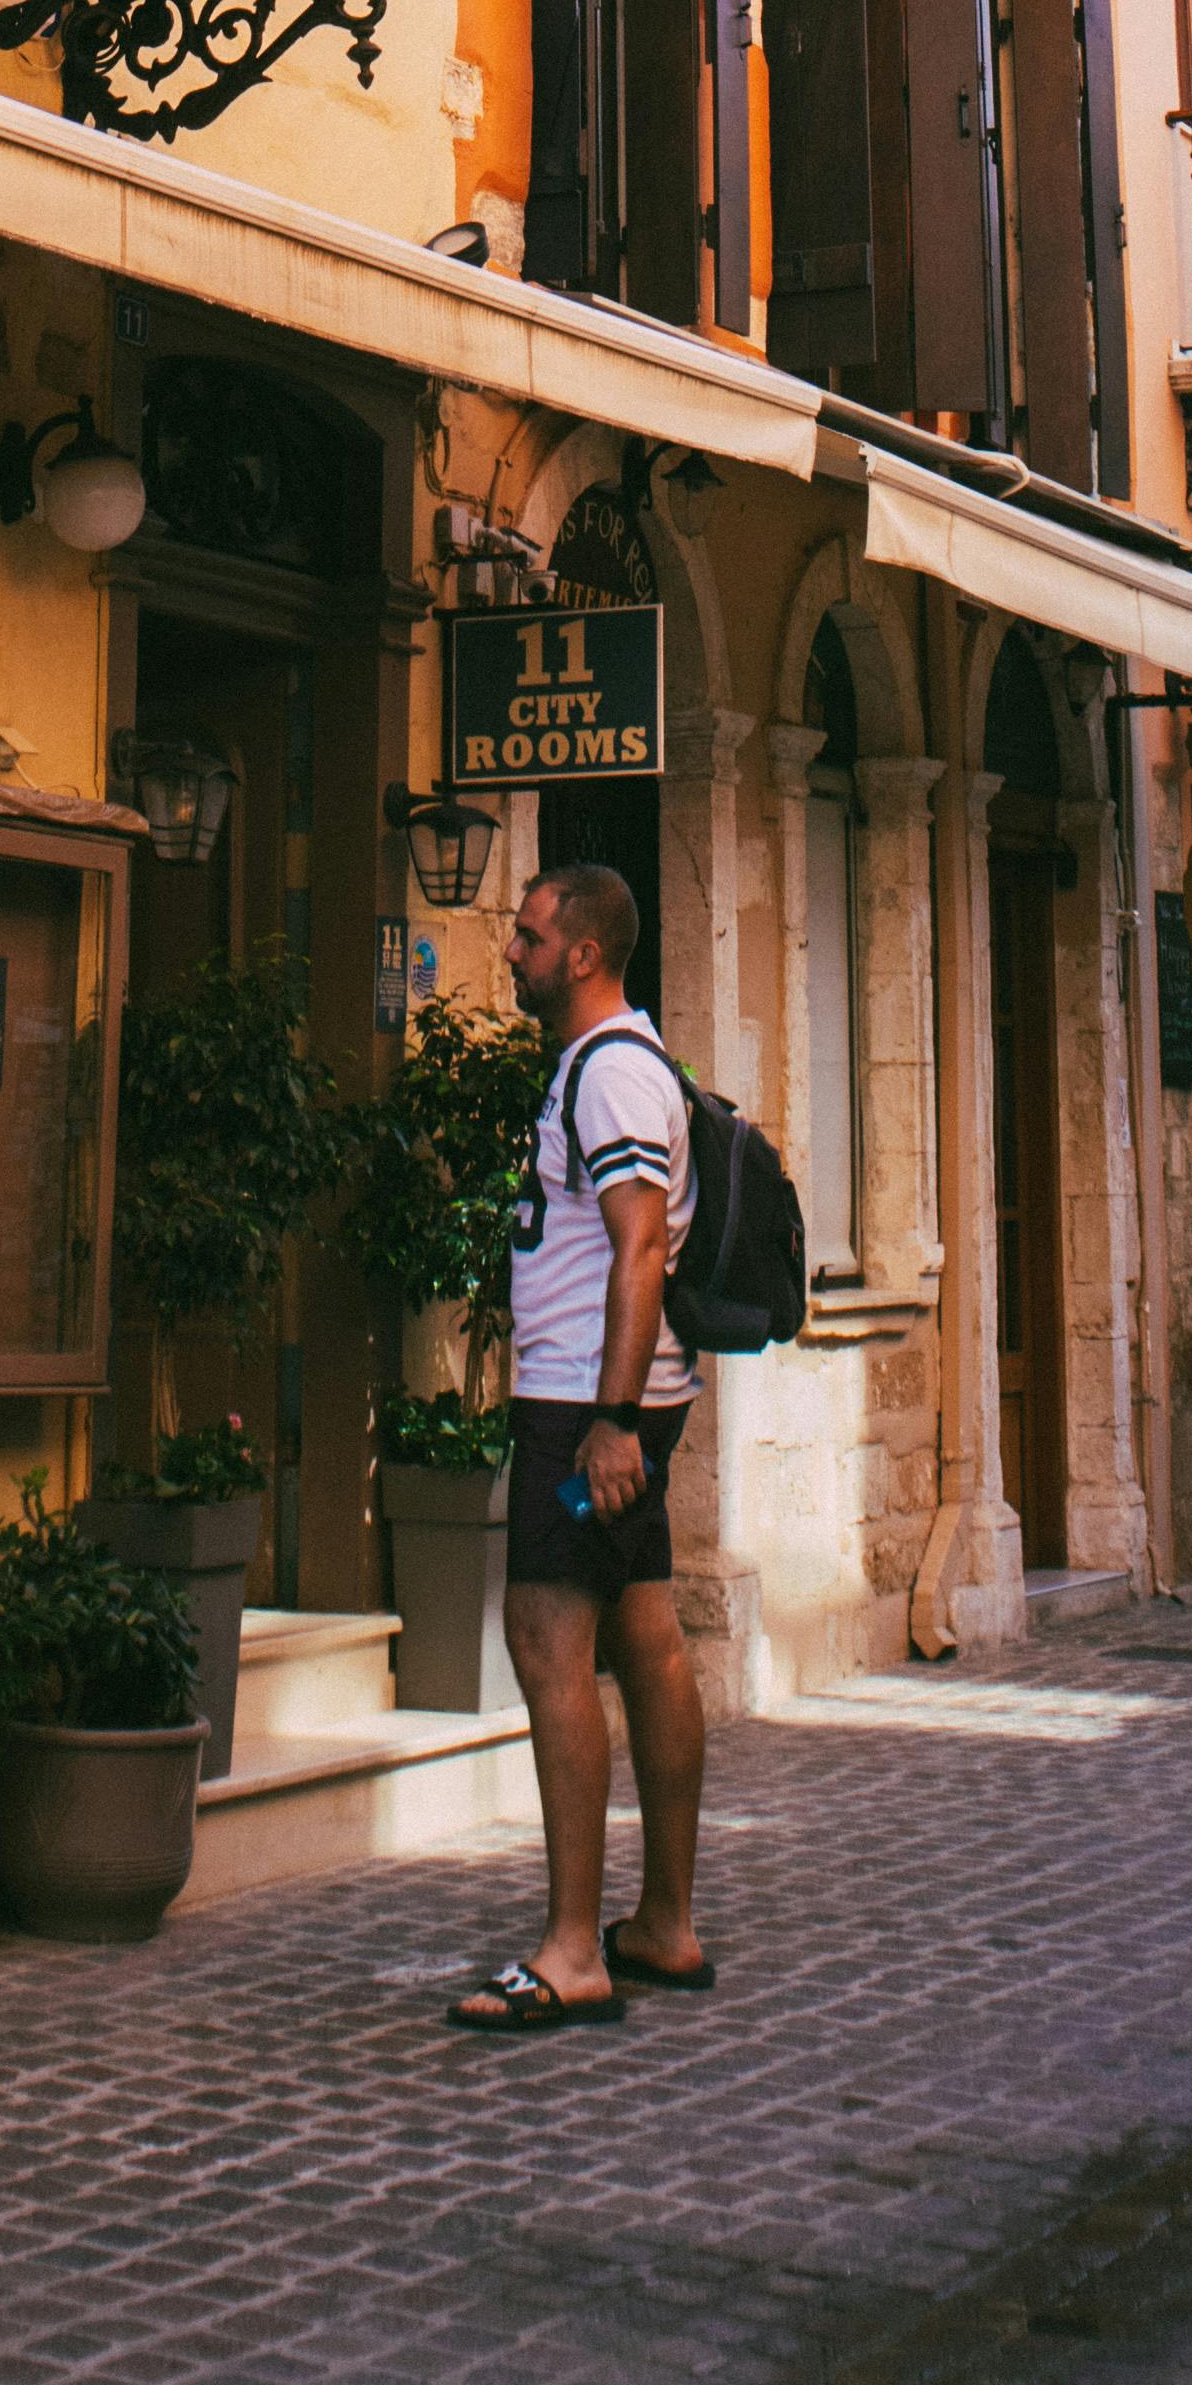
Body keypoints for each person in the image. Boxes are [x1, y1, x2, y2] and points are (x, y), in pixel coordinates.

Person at [446, 864, 711, 2033]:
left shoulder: (610, 1076)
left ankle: (571, 1952)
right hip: (615, 1396)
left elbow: (639, 1246)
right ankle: (662, 1925)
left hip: (583, 1401)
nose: (512, 952)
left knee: (548, 1642)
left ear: (585, 955)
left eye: (529, 936)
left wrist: (610, 1419)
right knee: (644, 1635)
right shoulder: (616, 1065)